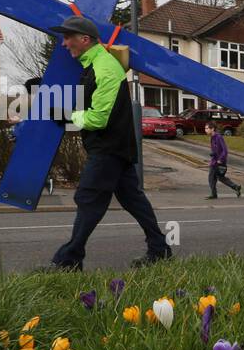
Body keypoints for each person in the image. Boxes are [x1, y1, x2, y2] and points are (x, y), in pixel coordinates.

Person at [46, 15, 170, 271]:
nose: (63, 43)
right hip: (117, 147)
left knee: (88, 198)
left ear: (84, 39)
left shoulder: (104, 68)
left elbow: (98, 119)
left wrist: (67, 116)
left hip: (109, 148)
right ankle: (159, 249)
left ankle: (69, 260)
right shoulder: (94, 65)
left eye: (67, 37)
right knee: (133, 199)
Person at [205, 122, 242, 199]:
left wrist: (220, 159)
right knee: (220, 177)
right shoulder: (212, 137)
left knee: (211, 177)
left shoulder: (218, 137)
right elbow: (216, 149)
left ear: (212, 129)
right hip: (214, 160)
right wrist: (213, 154)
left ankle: (214, 194)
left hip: (219, 162)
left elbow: (225, 150)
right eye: (205, 128)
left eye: (207, 128)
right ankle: (236, 187)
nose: (205, 130)